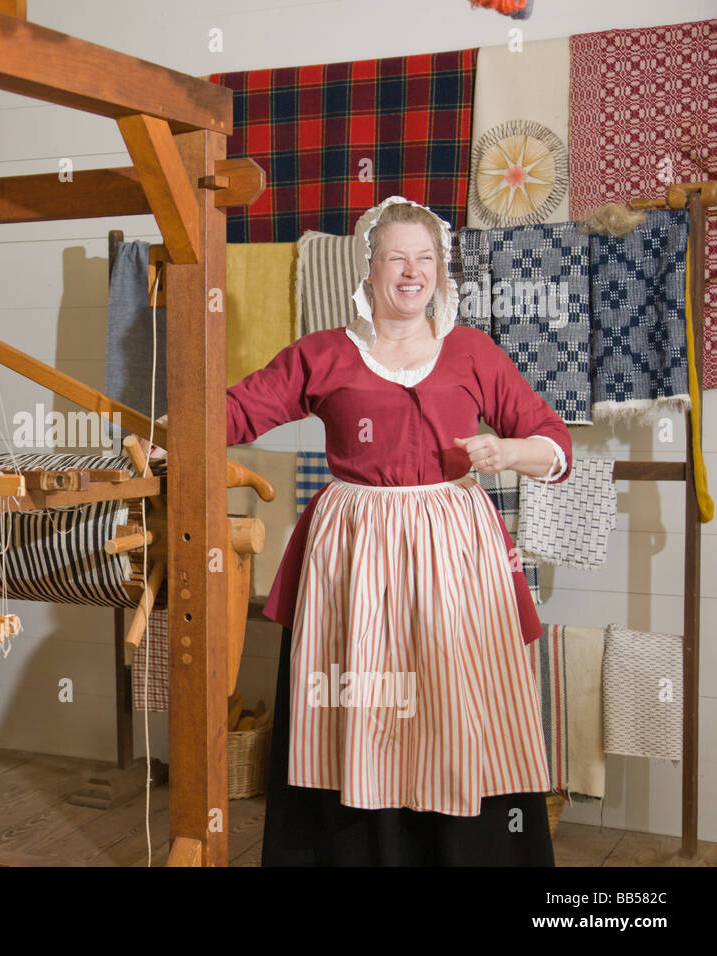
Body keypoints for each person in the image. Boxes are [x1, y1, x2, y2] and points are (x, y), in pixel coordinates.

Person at [143, 196, 572, 865]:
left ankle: (464, 850)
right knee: (358, 696)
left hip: (452, 548)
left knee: (452, 701)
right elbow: (239, 410)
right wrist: (172, 434)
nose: (411, 271)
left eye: (424, 258)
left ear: (441, 270)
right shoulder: (324, 353)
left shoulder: (472, 352)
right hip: (354, 551)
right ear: (369, 269)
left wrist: (510, 453)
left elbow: (551, 441)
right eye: (396, 257)